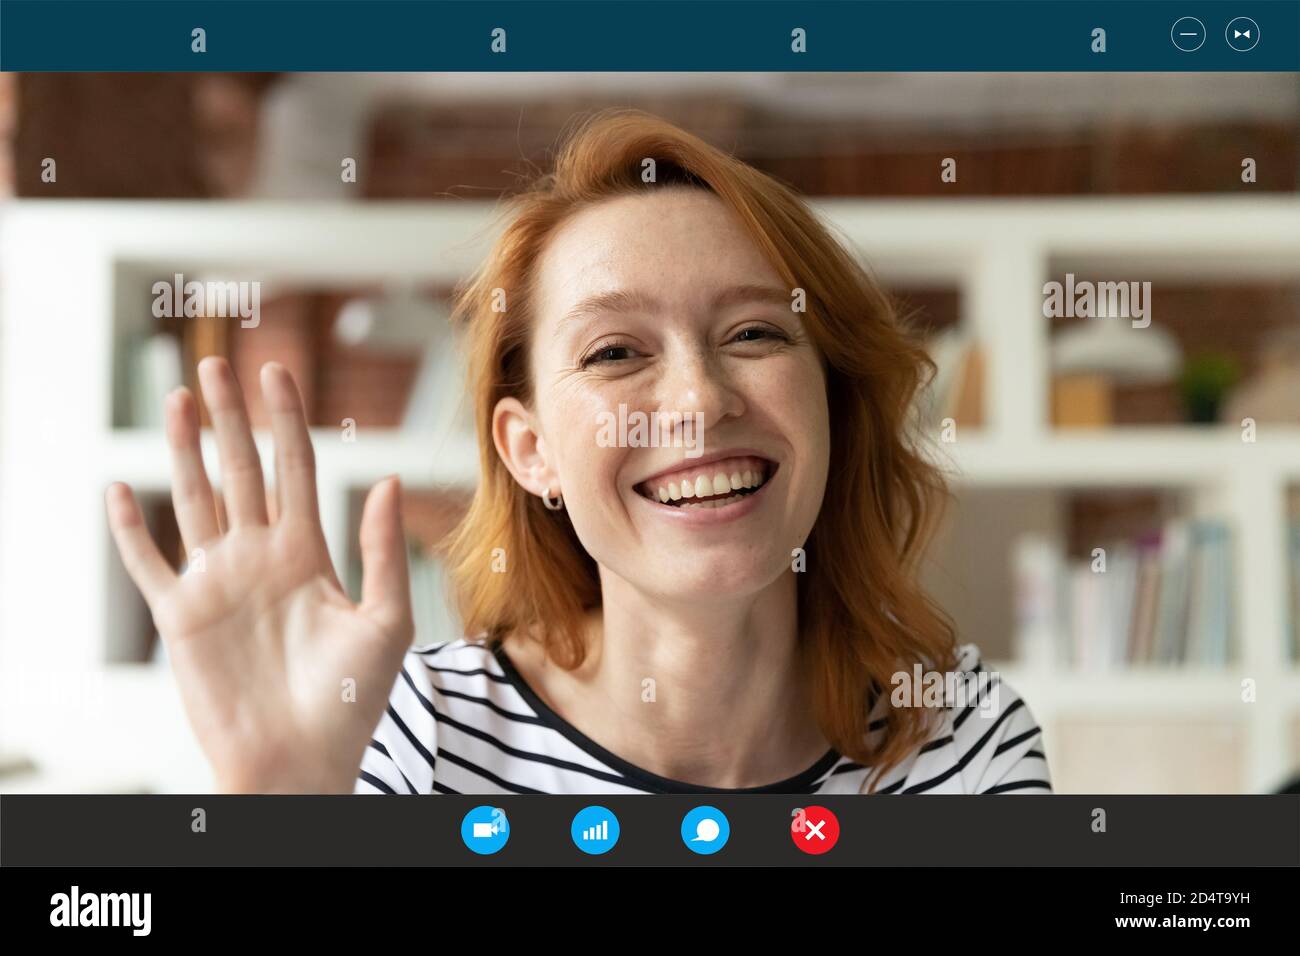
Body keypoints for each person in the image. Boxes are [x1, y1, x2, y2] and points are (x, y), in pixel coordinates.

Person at [105, 109, 1051, 795]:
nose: (697, 400)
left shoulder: (962, 741)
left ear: (832, 398)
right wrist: (284, 810)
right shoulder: (417, 738)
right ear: (529, 452)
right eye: (614, 352)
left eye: (756, 334)